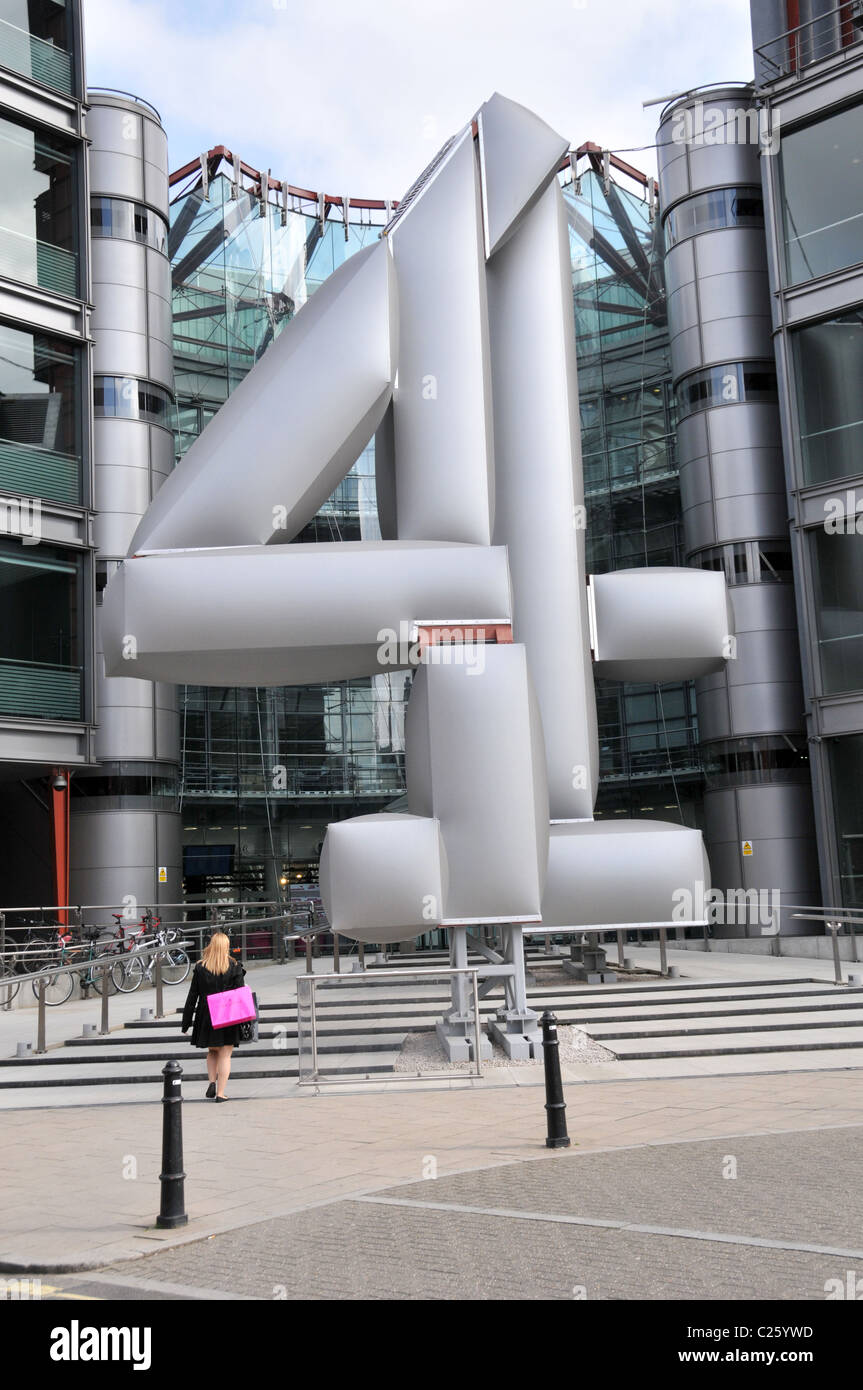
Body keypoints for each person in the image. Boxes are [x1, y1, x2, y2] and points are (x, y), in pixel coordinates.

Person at [181, 931, 246, 1101]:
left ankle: (211, 1082)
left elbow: (192, 996)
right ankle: (220, 1093)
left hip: (206, 1015)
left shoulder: (201, 967)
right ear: (226, 947)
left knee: (212, 1052)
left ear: (211, 945)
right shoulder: (234, 966)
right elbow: (240, 994)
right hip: (227, 1015)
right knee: (225, 1054)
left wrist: (186, 1022)